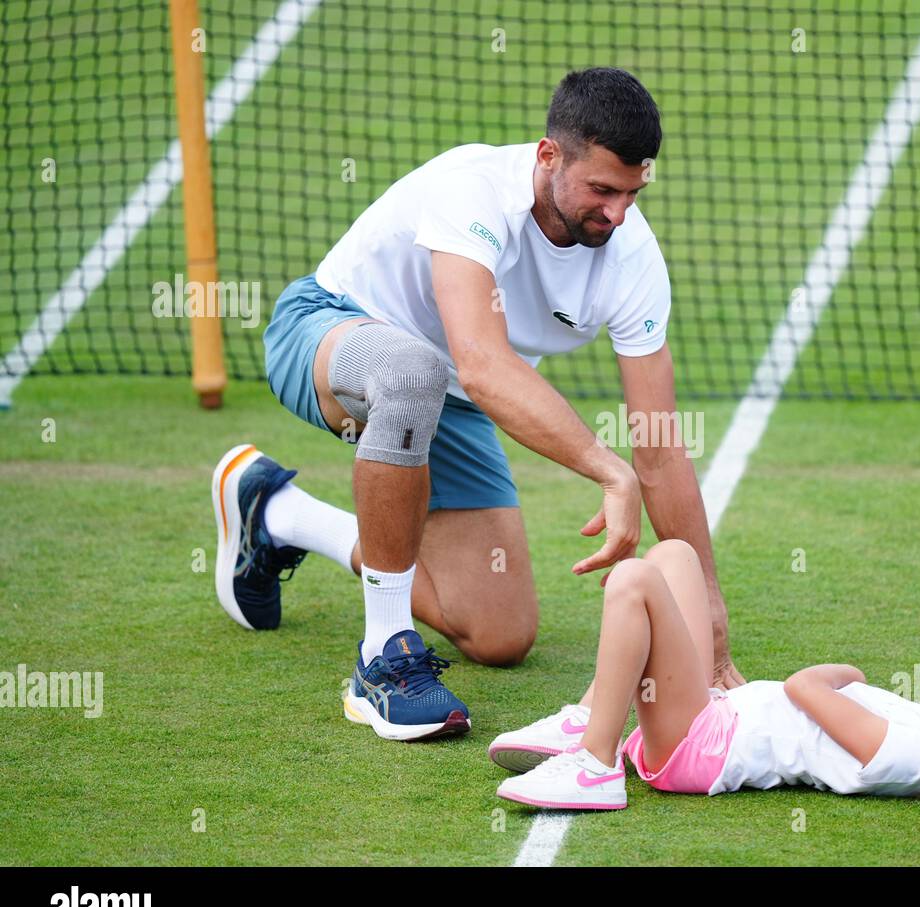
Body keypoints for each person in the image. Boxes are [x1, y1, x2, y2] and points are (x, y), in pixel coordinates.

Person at [209, 68, 744, 742]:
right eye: (603, 190)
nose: (617, 214)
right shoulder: (472, 187)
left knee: (500, 633)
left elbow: (661, 448)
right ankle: (382, 657)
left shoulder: (632, 259)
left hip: (446, 399)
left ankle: (275, 512)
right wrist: (608, 470)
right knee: (411, 371)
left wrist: (713, 625)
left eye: (633, 194)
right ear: (550, 156)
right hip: (329, 333)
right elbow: (483, 365)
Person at [493, 539, 920, 810]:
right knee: (675, 556)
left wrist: (848, 670)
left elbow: (803, 687)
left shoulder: (909, 755)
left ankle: (595, 765)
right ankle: (587, 721)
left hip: (702, 747)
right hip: (719, 715)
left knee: (633, 581)